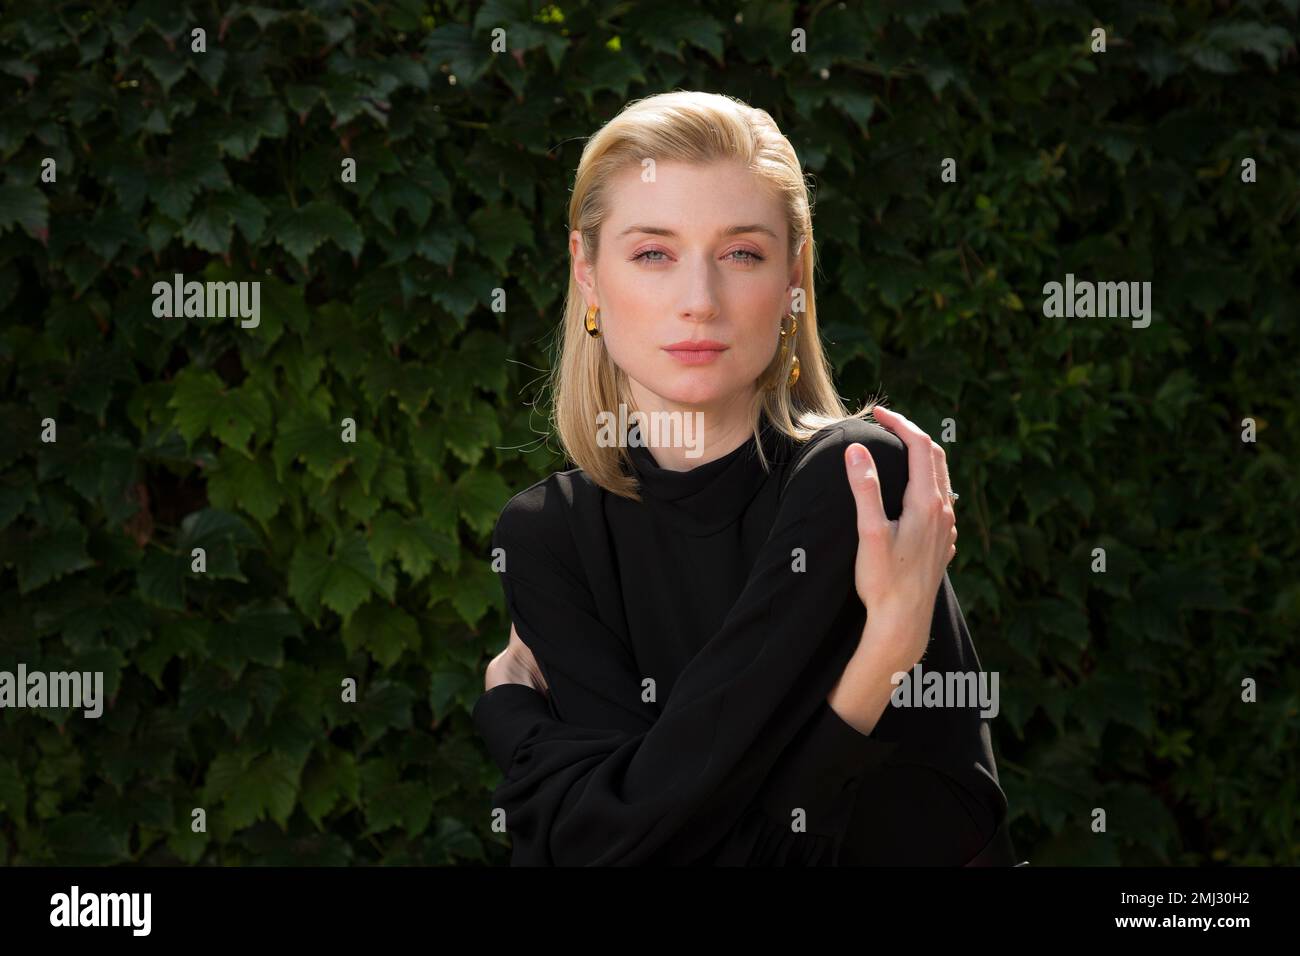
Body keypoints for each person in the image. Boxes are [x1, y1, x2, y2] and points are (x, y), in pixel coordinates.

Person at [472, 90, 1017, 866]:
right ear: (587, 272)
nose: (699, 302)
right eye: (653, 253)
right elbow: (617, 847)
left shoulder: (858, 477)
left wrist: (507, 712)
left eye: (741, 253)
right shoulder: (548, 534)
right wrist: (867, 680)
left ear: (793, 276)